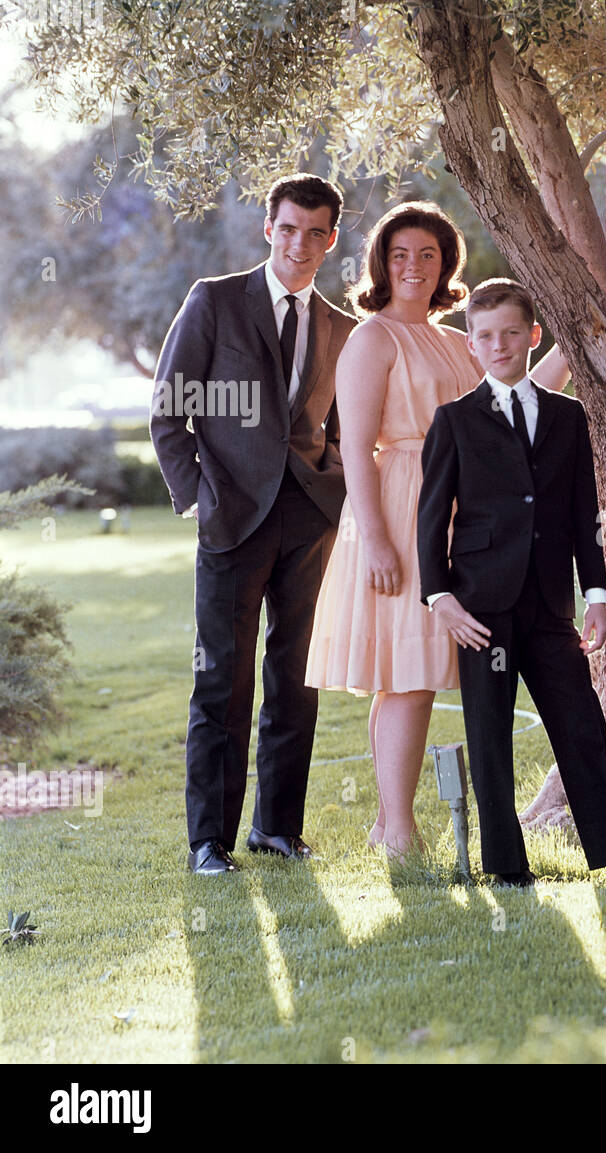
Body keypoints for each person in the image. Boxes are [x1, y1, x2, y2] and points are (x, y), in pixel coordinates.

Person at [416, 279, 606, 886]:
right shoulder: (455, 421)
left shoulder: (568, 417)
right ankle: (507, 869)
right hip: (480, 609)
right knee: (489, 736)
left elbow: (581, 513)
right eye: (486, 336)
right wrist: (439, 597)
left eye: (510, 333)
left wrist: (596, 595)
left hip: (550, 607)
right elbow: (431, 517)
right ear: (472, 345)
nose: (499, 345)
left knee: (581, 725)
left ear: (533, 336)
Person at [151, 174, 355, 874]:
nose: (301, 243)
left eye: (316, 231)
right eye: (289, 228)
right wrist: (199, 498)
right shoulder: (214, 301)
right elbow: (169, 410)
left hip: (309, 518)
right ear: (269, 228)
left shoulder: (339, 326)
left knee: (298, 675)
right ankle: (208, 840)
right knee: (223, 679)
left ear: (332, 239)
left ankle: (278, 827)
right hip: (232, 516)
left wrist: (335, 483)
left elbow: (341, 427)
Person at [303, 203, 477, 858]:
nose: (413, 266)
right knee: (407, 668)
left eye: (427, 255)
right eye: (400, 254)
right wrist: (374, 536)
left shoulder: (458, 340)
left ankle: (387, 824)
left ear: (445, 264)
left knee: (414, 668)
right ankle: (400, 828)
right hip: (398, 506)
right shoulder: (372, 338)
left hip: (452, 507)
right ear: (382, 262)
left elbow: (503, 408)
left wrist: (569, 350)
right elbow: (351, 446)